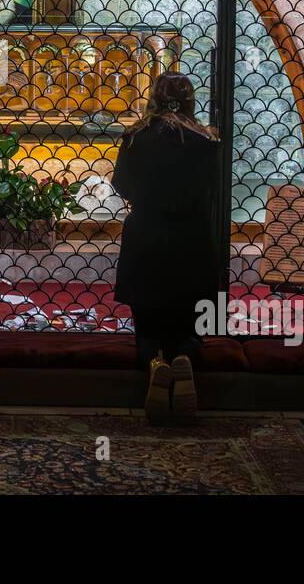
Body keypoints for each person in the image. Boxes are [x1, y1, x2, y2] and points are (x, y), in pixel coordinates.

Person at [112, 71, 221, 424]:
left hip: (147, 236)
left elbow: (122, 186)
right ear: (190, 100)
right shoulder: (207, 140)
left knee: (147, 324)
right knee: (190, 322)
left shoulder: (135, 138)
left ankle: (154, 363)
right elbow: (214, 187)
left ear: (153, 98)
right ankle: (184, 357)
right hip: (192, 239)